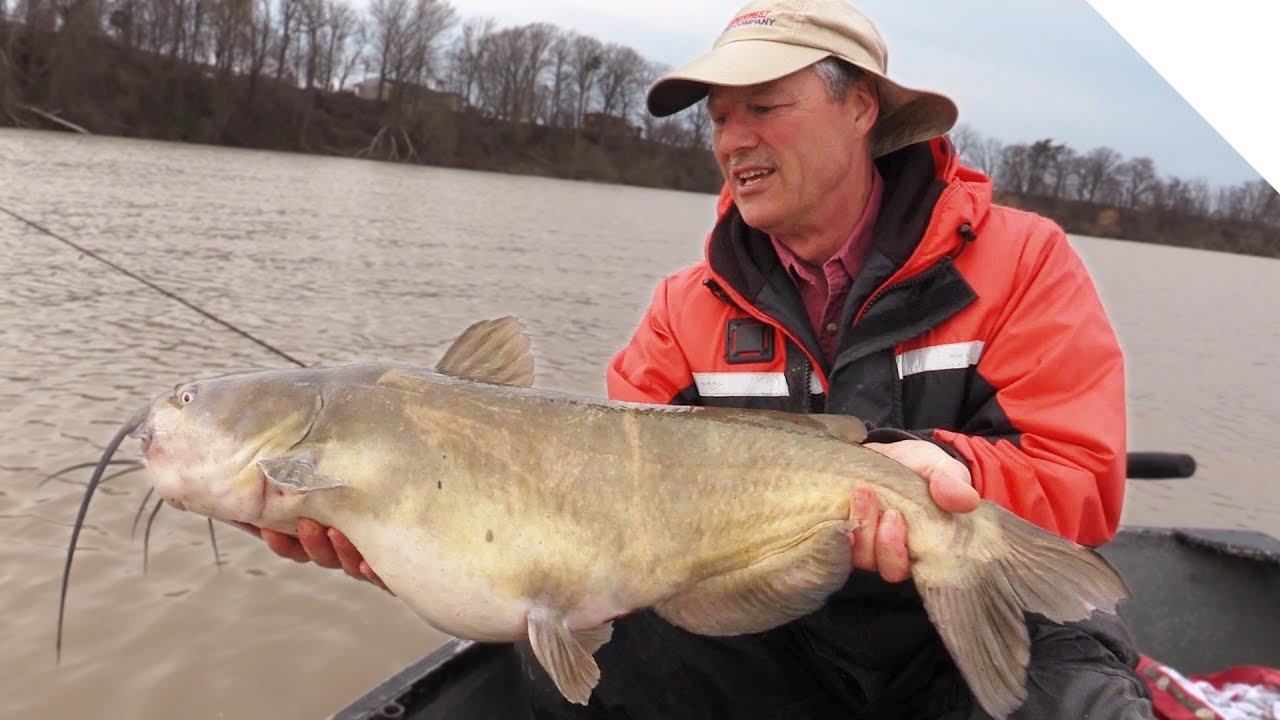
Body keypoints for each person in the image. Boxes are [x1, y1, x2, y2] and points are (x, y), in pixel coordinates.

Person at [257, 1, 1152, 717]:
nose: (734, 140)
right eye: (721, 117)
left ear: (861, 108)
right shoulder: (682, 310)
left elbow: (1081, 482)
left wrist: (946, 472)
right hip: (775, 632)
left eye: (765, 106)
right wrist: (414, 538)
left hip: (980, 615)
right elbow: (587, 519)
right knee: (568, 676)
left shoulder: (1024, 259)